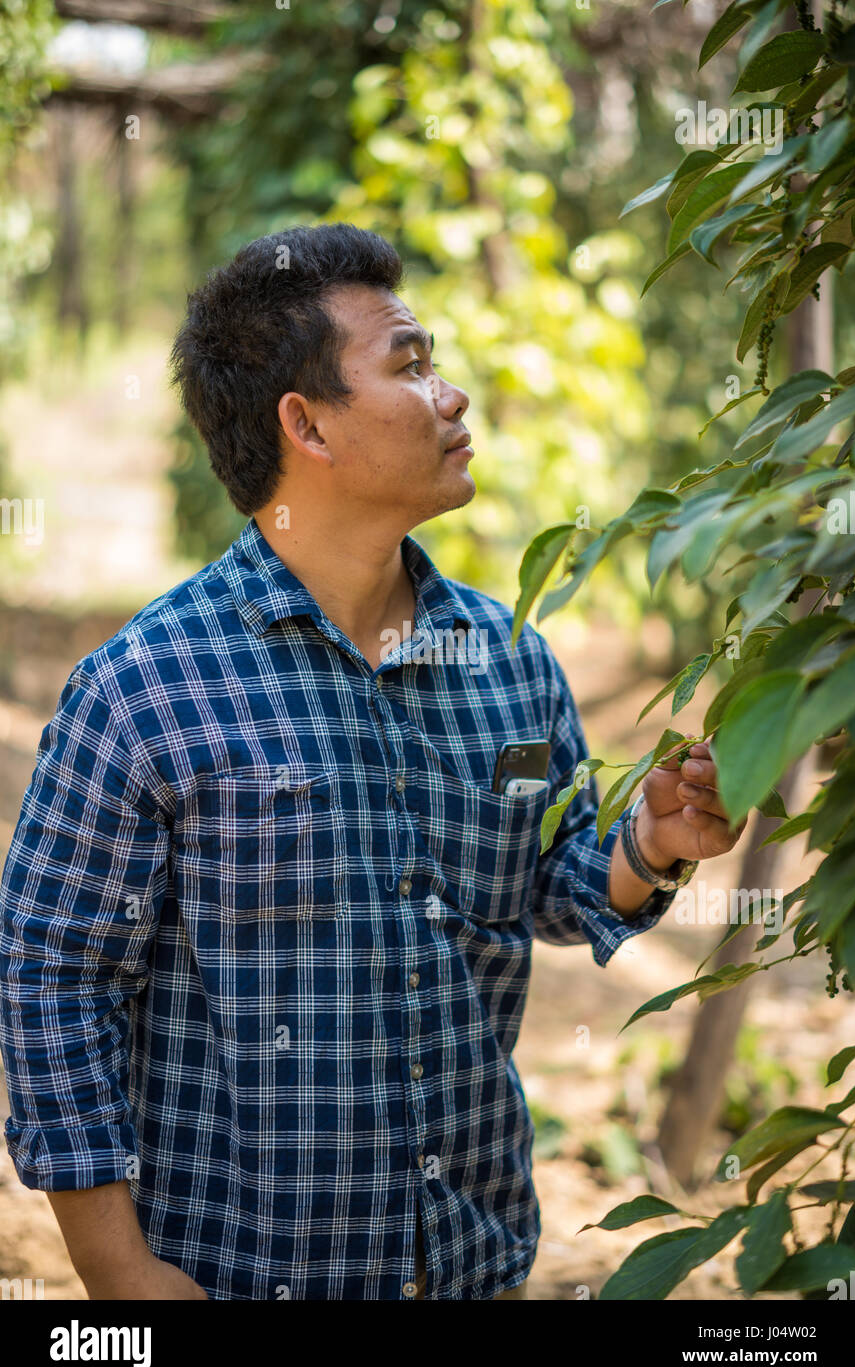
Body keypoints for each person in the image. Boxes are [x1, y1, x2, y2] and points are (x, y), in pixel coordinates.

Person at [0, 223, 745, 1301]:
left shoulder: (508, 663)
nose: (452, 396)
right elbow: (52, 977)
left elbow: (555, 886)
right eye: (409, 365)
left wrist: (651, 843)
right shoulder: (145, 691)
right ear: (304, 423)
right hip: (240, 1274)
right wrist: (119, 1270)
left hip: (475, 1262)